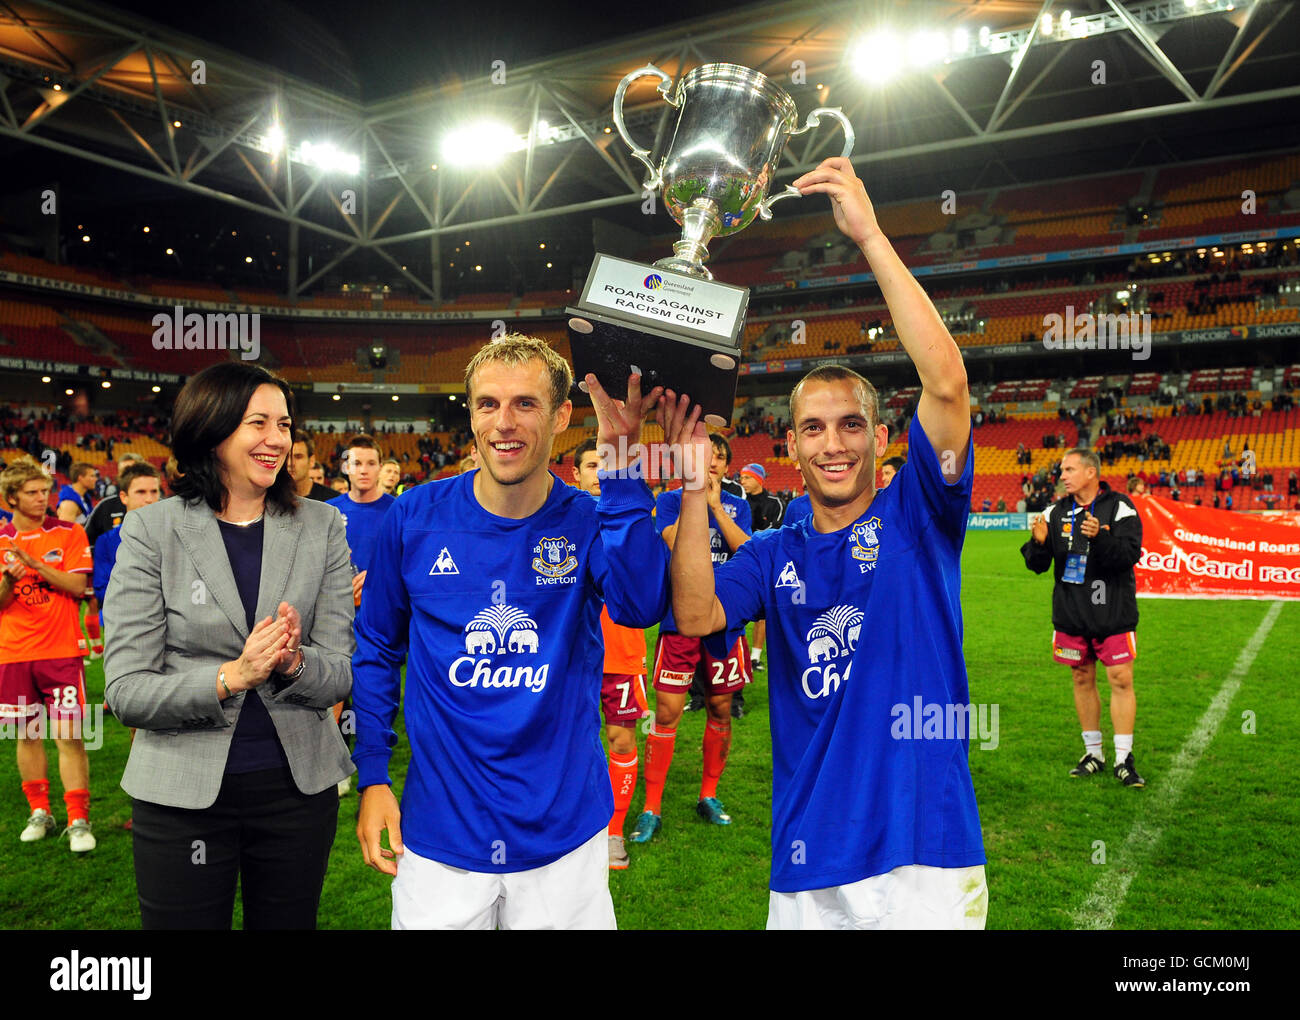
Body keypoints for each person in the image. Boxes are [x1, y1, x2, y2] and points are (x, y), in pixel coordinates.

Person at [662, 154, 986, 929]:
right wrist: (692, 487)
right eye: (813, 427)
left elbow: (946, 387)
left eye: (850, 425)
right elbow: (698, 615)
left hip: (926, 851)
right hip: (809, 855)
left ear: (880, 438)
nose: (833, 443)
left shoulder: (920, 513)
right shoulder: (773, 554)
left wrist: (870, 235)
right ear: (793, 447)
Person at [352, 335, 668, 929]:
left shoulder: (585, 518)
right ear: (470, 413)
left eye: (525, 404)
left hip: (564, 834)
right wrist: (372, 773)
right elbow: (375, 648)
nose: (504, 423)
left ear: (560, 416)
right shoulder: (414, 517)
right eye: (488, 404)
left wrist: (623, 465)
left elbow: (642, 603)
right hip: (442, 832)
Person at [104, 362, 355, 929]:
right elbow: (125, 691)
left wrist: (294, 664)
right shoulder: (151, 531)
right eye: (258, 423)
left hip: (297, 793)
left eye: (285, 424)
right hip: (179, 796)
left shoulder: (324, 527)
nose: (278, 440)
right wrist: (232, 677)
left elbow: (340, 672)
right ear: (212, 429)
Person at [630, 432, 752, 843]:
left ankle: (709, 795)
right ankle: (652, 807)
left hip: (725, 621)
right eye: (704, 457)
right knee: (666, 714)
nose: (711, 463)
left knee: (720, 708)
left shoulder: (739, 505)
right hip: (678, 621)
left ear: (726, 465)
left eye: (718, 458)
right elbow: (669, 539)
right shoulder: (668, 501)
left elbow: (747, 552)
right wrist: (694, 497)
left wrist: (717, 507)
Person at [1022, 448, 1144, 787]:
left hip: (1113, 612)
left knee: (1120, 678)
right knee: (1081, 677)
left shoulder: (1119, 507)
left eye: (1070, 469)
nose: (1062, 475)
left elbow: (1129, 555)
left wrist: (1100, 537)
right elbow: (1036, 564)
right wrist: (1038, 543)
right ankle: (1093, 754)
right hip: (1071, 613)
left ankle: (1124, 758)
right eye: (1063, 470)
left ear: (1091, 473)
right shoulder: (1053, 511)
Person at [0, 460, 97, 852]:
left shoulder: (69, 532)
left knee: (70, 736)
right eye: (33, 493)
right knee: (27, 734)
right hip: (14, 654)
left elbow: (77, 586)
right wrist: (9, 578)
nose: (43, 499)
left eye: (45, 491)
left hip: (60, 652)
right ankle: (40, 811)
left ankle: (78, 818)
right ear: (11, 499)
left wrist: (36, 565)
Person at [572, 436, 649, 871]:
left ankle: (614, 831)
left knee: (620, 739)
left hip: (621, 654)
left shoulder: (633, 520)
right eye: (589, 466)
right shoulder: (554, 521)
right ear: (576, 474)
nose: (598, 473)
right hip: (569, 656)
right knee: (568, 742)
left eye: (605, 465)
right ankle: (574, 826)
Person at [327, 435, 396, 609]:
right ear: (346, 467)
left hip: (383, 609)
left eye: (371, 464)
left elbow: (408, 562)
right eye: (357, 464)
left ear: (380, 468)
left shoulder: (397, 510)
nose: (364, 470)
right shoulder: (329, 511)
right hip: (337, 609)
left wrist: (378, 576)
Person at [738, 462, 785, 681]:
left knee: (763, 612)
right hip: (740, 560)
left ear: (758, 479)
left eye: (746, 478)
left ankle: (755, 657)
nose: (742, 482)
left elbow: (774, 532)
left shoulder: (775, 502)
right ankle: (736, 657)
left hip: (766, 561)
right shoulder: (739, 503)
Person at [289, 431, 338, 501]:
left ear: (311, 461)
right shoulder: (270, 498)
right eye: (286, 457)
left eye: (298, 457)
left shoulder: (333, 500)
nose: (290, 463)